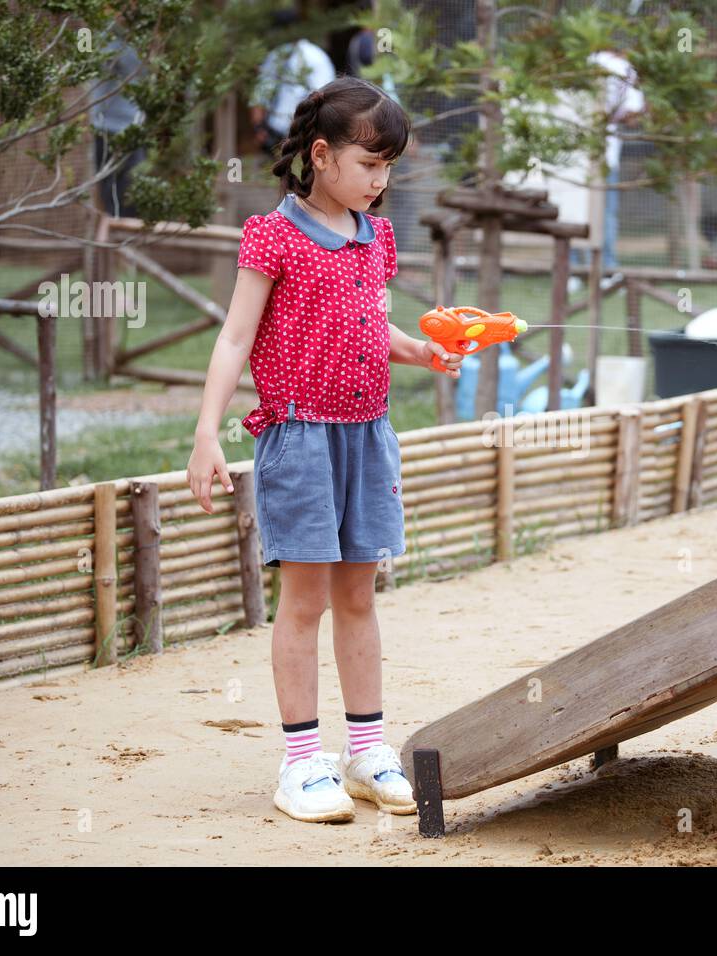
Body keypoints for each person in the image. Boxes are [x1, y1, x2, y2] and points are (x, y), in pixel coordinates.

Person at [186, 76, 464, 824]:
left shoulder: (377, 239)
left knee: (358, 597)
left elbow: (378, 329)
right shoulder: (272, 235)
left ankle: (367, 754)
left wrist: (427, 355)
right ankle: (301, 764)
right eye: (371, 164)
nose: (382, 181)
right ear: (321, 155)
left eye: (389, 167)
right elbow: (235, 337)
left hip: (369, 438)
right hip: (300, 439)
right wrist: (206, 432)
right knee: (304, 602)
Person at [569, 49, 644, 292]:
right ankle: (603, 271)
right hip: (593, 156)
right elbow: (633, 115)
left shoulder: (580, 60)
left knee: (575, 211)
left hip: (581, 154)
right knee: (602, 215)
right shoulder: (622, 68)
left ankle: (582, 271)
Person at [249, 10, 337, 155]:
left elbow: (324, 98)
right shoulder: (277, 56)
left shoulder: (314, 57)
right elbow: (259, 96)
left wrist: (258, 129)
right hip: (279, 134)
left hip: (304, 134)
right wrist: (259, 129)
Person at [88, 35, 146, 218]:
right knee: (112, 198)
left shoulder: (144, 38)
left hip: (134, 131)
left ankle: (120, 239)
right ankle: (111, 239)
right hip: (107, 129)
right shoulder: (105, 37)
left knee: (131, 198)